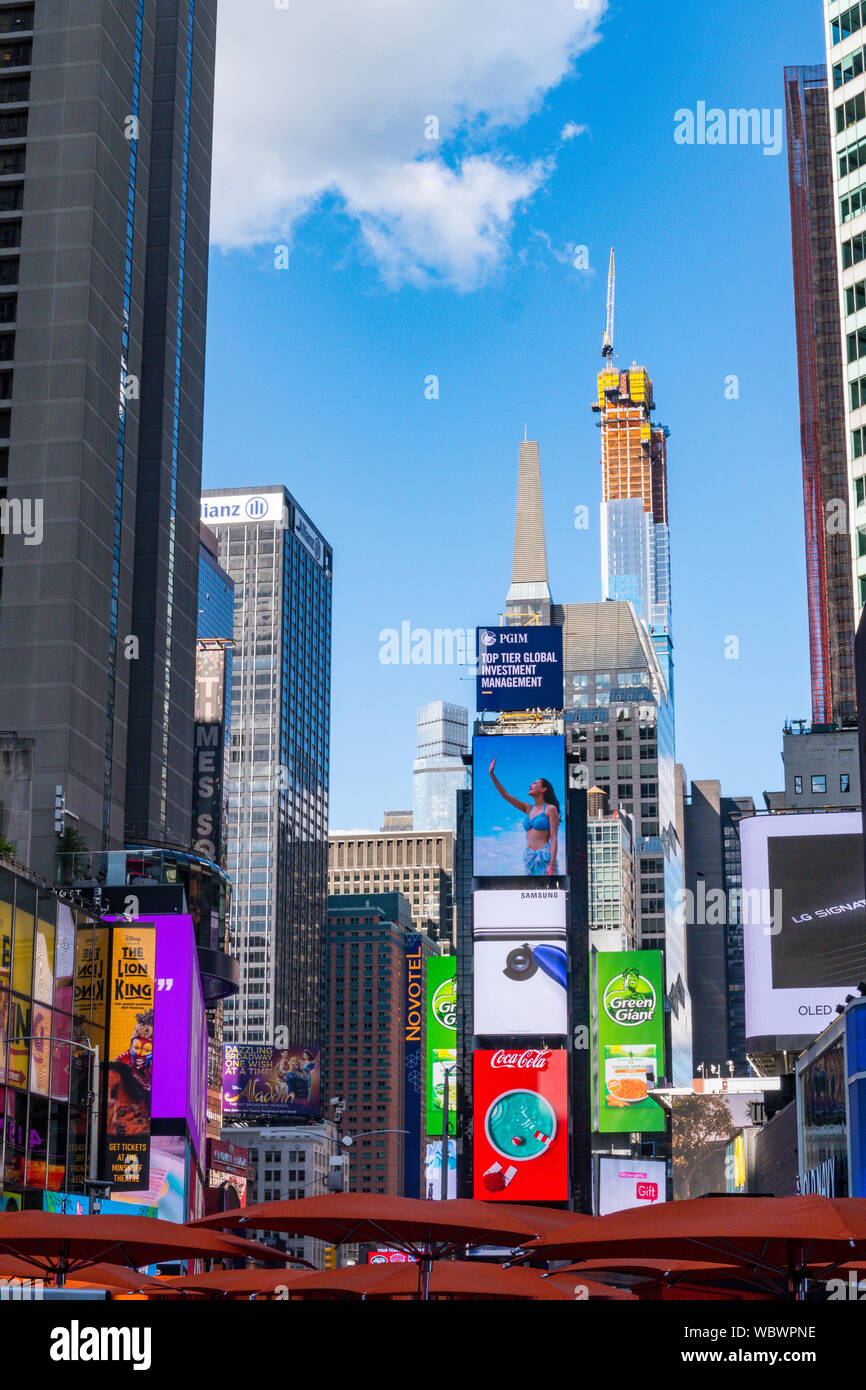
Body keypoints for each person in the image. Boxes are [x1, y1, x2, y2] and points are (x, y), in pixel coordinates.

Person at [488, 758, 560, 876]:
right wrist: (492, 774)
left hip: (544, 858)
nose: (531, 785)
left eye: (535, 783)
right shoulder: (528, 808)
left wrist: (551, 865)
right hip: (529, 858)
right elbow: (505, 795)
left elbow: (554, 838)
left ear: (544, 789)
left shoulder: (550, 809)